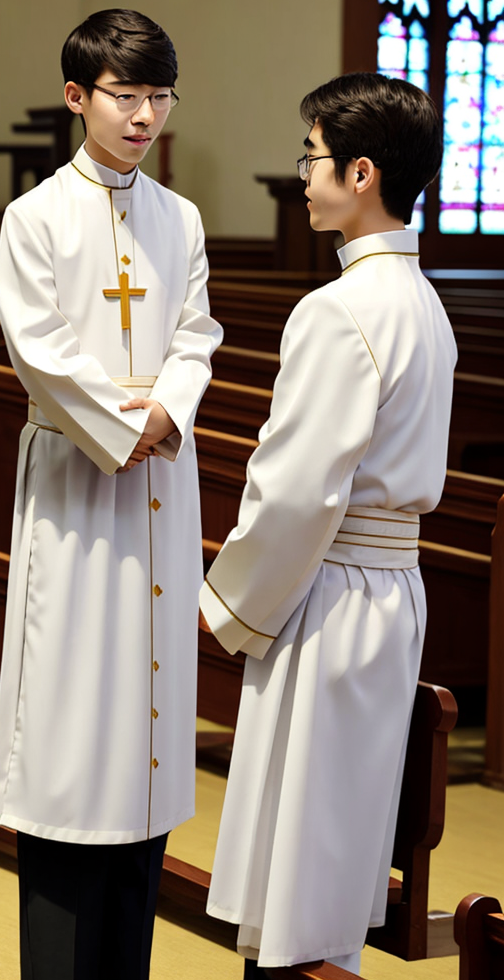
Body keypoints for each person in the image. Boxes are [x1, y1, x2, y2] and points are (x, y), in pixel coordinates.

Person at [199, 72, 455, 976]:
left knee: (295, 870)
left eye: (310, 158)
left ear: (361, 172)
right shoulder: (424, 302)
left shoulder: (340, 309)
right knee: (335, 850)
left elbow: (298, 488)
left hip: (331, 594)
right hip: (391, 592)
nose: (301, 176)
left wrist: (225, 602)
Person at [0, 9, 222, 980]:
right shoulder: (36, 216)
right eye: (125, 97)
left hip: (161, 491)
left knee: (148, 724)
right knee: (71, 722)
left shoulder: (181, 218)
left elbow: (197, 331)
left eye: (159, 97)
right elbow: (35, 348)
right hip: (80, 489)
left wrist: (166, 409)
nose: (144, 117)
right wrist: (127, 425)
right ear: (78, 95)